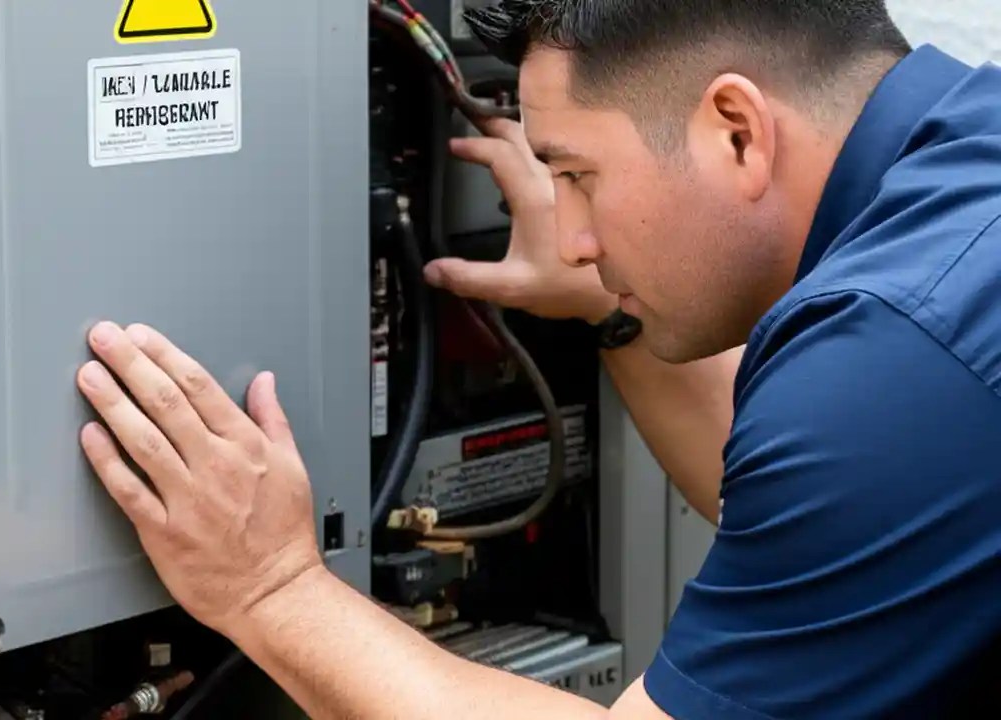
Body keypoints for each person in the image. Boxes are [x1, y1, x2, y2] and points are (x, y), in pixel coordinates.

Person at [74, 0, 1001, 716]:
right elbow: (837, 530)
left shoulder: (895, 351)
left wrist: (269, 586)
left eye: (576, 175)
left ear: (736, 131)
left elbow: (856, 450)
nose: (573, 236)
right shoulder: (965, 169)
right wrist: (615, 309)